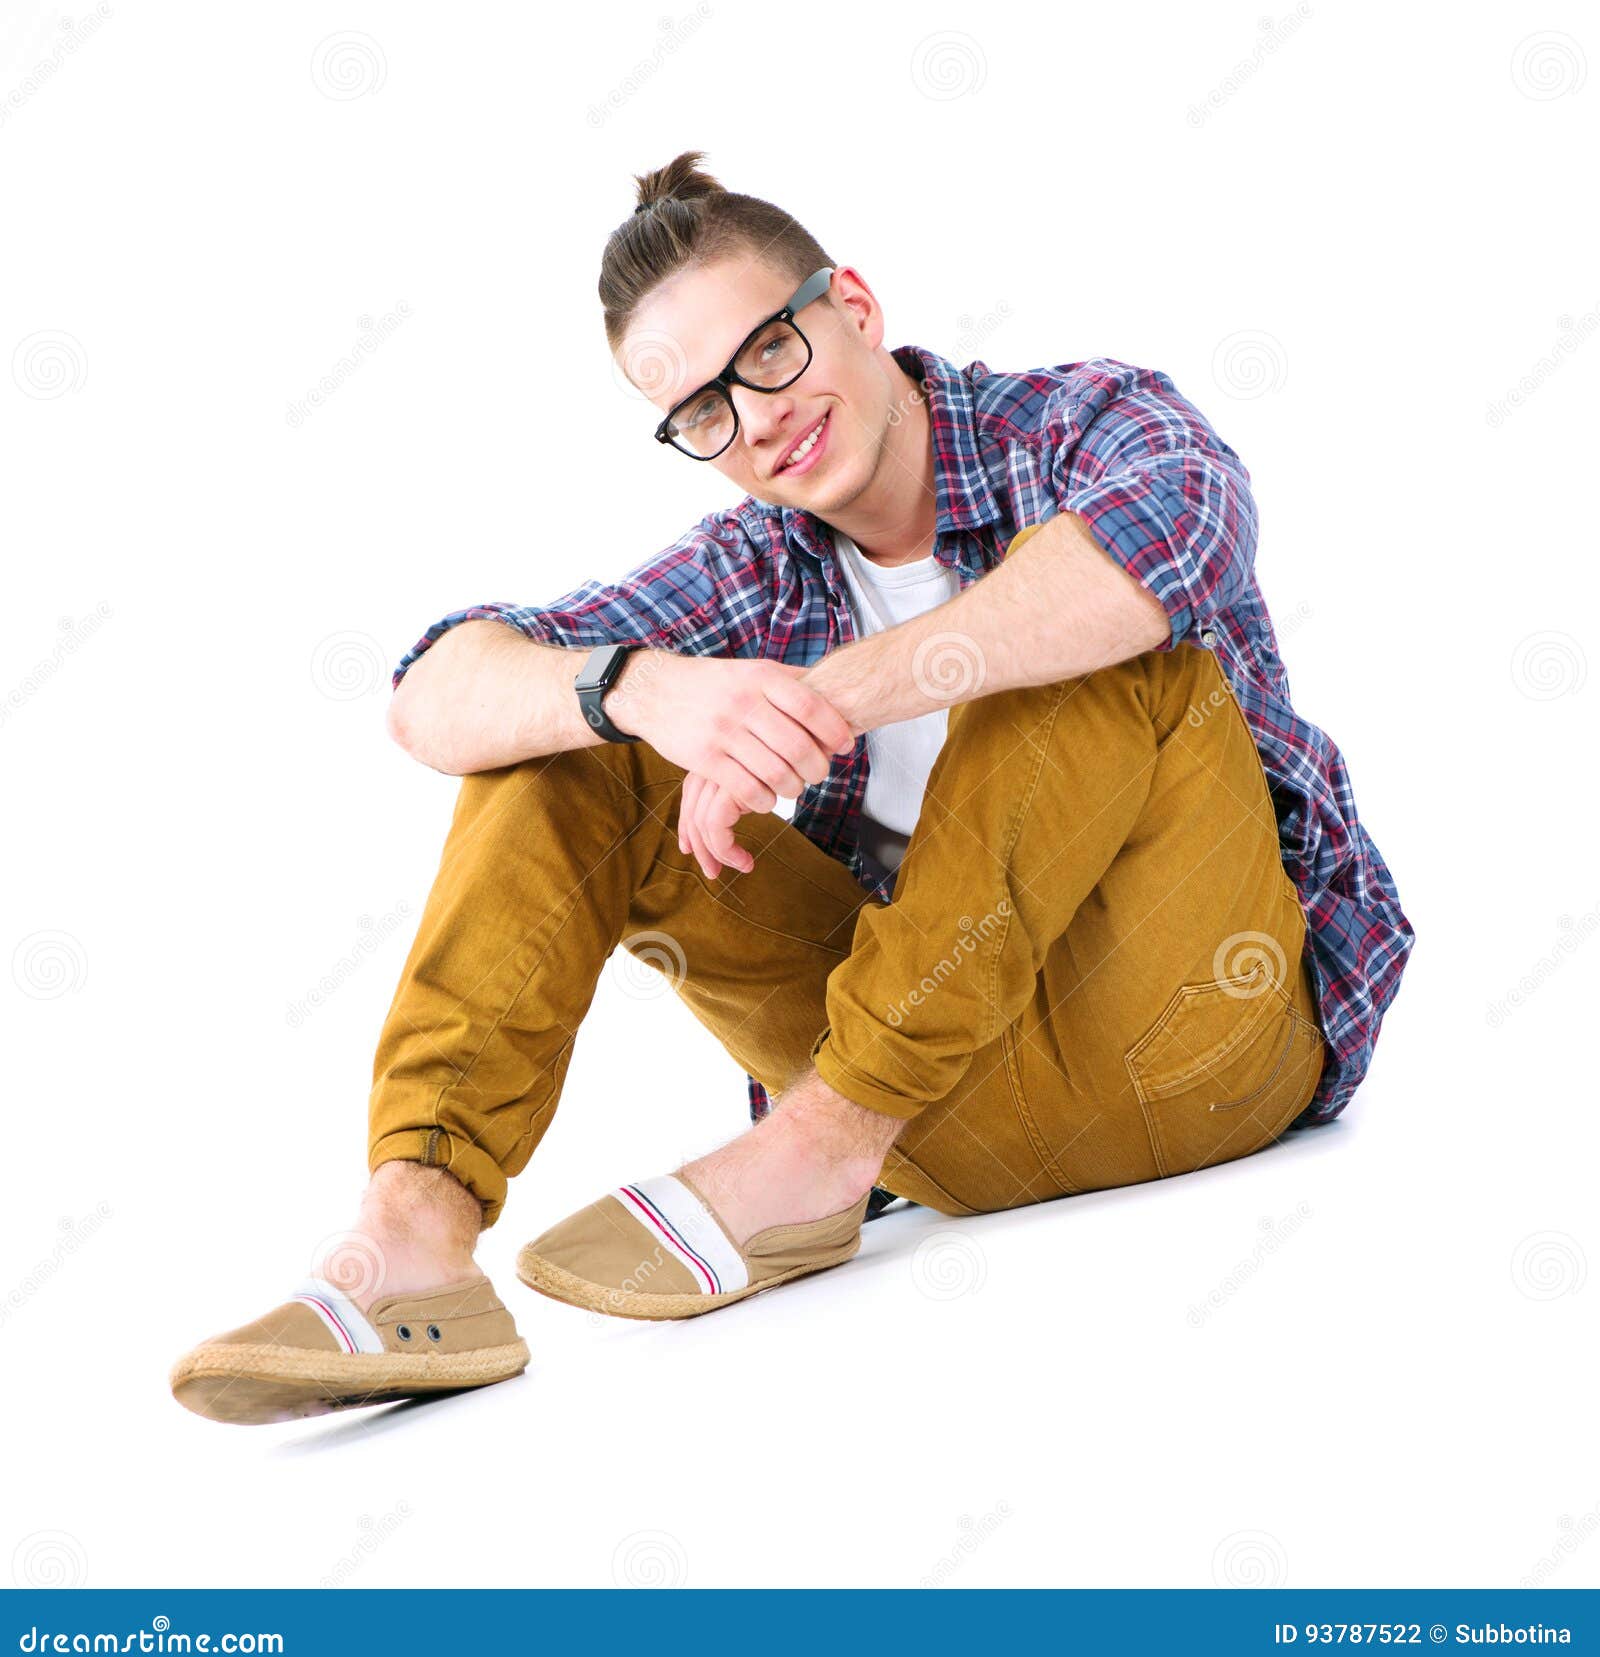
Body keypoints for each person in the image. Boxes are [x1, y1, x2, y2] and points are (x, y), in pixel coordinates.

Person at [170, 150, 1414, 1425]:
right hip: (939, 1126)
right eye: (703, 410)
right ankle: (416, 1248)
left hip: (1200, 1045)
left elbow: (1168, 538)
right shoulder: (755, 566)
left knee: (1097, 639)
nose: (755, 419)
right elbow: (431, 693)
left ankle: (815, 1147)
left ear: (855, 308)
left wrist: (823, 701)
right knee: (563, 728)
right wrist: (643, 691)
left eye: (767, 351)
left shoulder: (1078, 424)